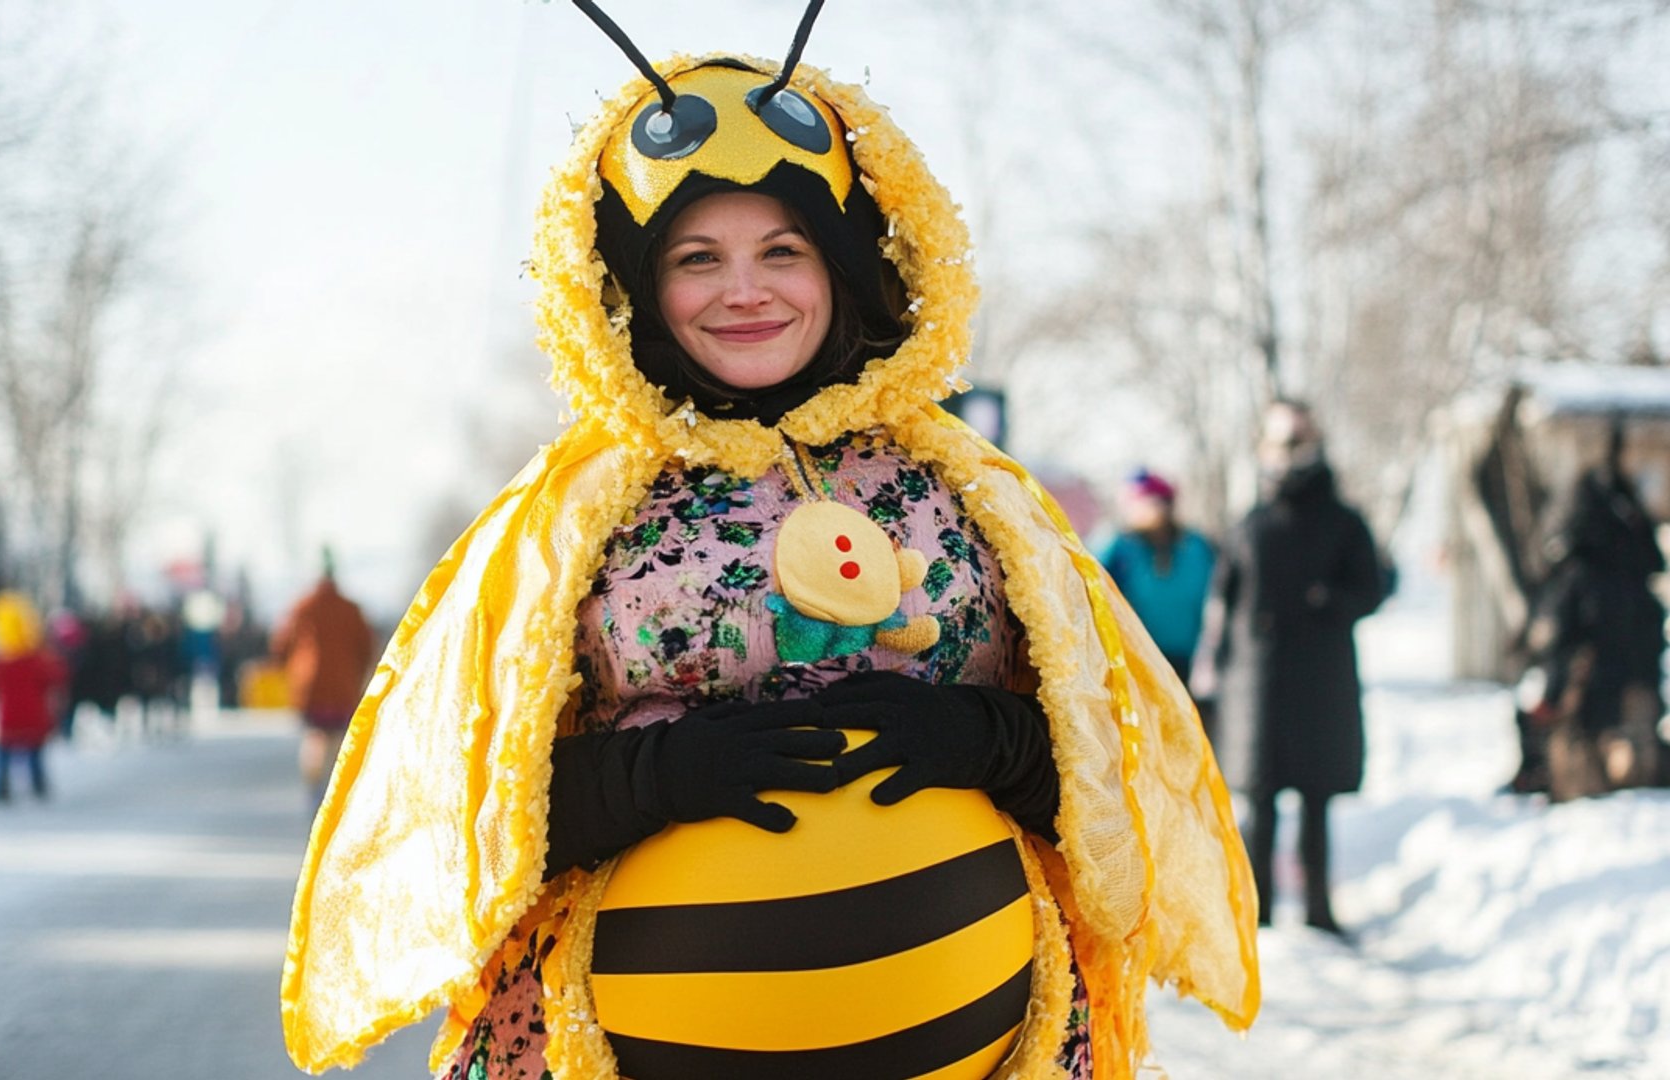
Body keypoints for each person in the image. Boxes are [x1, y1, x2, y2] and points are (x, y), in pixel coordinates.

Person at [282, 6, 1259, 1078]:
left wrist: (986, 740)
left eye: (782, 251)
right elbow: (467, 825)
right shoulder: (564, 520)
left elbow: (1109, 787)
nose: (743, 290)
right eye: (698, 258)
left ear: (840, 266)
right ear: (639, 287)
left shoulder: (976, 494)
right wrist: (657, 775)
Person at [1196, 400, 1385, 937]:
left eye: (1296, 441)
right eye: (1277, 442)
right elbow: (1222, 604)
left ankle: (1319, 909)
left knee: (1316, 798)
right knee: (1259, 800)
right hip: (1256, 684)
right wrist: (1215, 669)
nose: (1286, 453)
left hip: (1321, 680)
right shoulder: (1249, 524)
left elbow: (1372, 588)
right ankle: (1259, 913)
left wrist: (1331, 602)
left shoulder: (1344, 522)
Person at [1520, 429, 1667, 800]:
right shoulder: (1631, 565)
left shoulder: (1578, 573)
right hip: (1631, 688)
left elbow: (1557, 638)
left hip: (1597, 698)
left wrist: (1552, 691)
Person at [270, 549, 377, 808]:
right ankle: (333, 790)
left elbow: (281, 644)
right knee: (337, 738)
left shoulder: (303, 606)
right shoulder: (351, 610)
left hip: (311, 687)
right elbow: (367, 647)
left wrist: (288, 667)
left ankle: (313, 790)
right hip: (343, 686)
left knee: (315, 737)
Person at [1094, 469, 1218, 683]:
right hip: (1135, 655)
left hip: (1187, 654)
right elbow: (1093, 584)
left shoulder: (1196, 546)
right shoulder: (1119, 547)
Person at [0, 590, 67, 804]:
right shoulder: (37, 659)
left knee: (3, 753)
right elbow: (57, 676)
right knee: (35, 753)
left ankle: (1, 786)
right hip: (34, 715)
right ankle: (38, 784)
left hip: (8, 716)